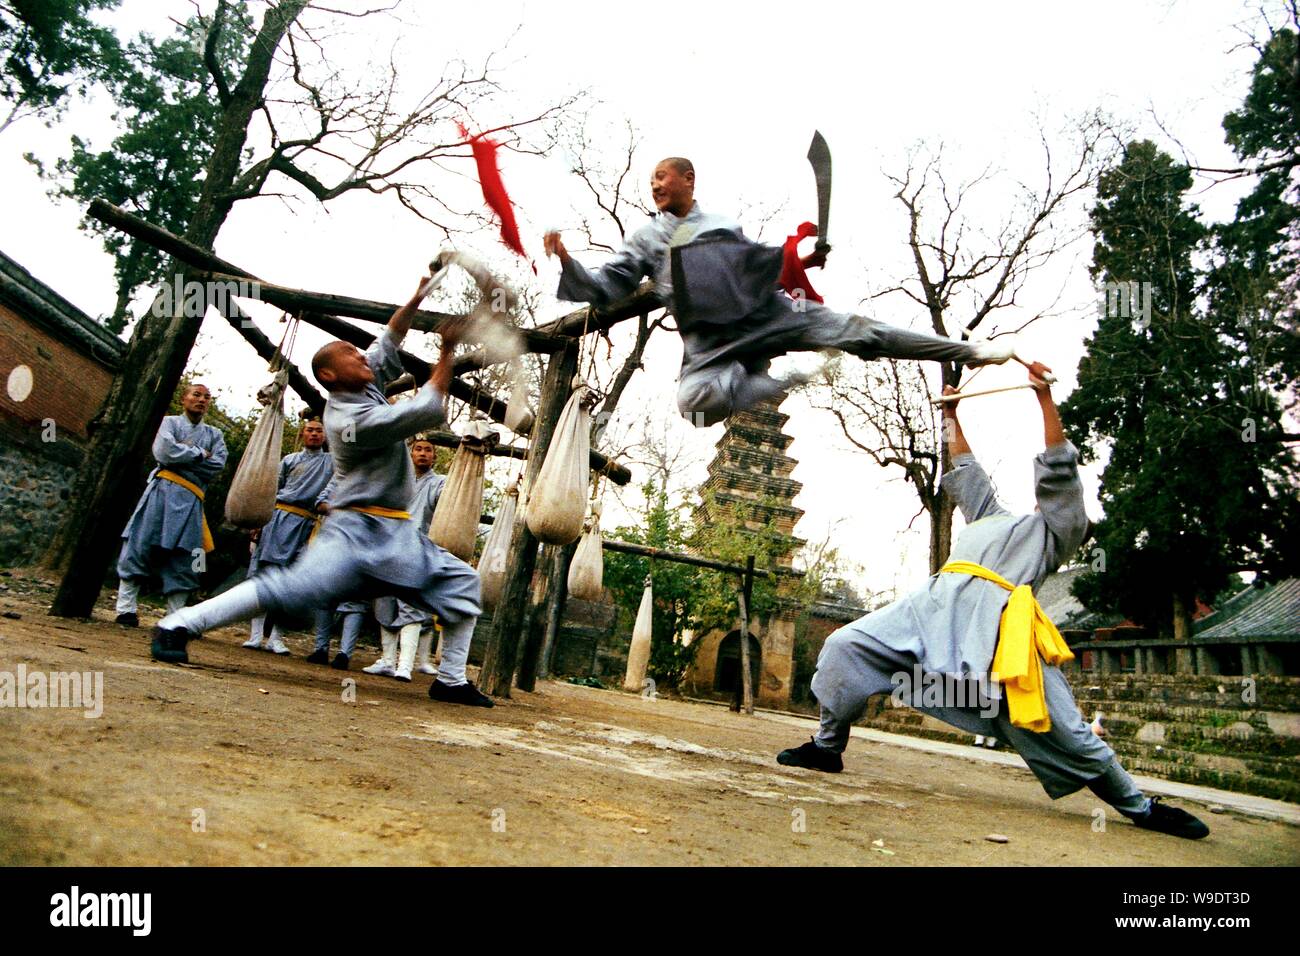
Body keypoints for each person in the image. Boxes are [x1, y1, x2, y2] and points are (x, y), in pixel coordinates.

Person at [776, 364, 1210, 840]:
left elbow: (1058, 469)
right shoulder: (988, 516)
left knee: (1065, 729)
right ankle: (827, 746)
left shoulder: (1053, 536)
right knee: (846, 645)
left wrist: (1043, 398)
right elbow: (965, 469)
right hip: (932, 608)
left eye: (1059, 494)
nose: (1052, 493)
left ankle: (1140, 806)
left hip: (1001, 631)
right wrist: (951, 413)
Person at [147, 273, 493, 709]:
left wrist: (419, 294)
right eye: (351, 353)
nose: (361, 355)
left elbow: (391, 336)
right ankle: (179, 624)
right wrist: (446, 349)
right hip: (353, 533)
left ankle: (451, 679)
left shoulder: (366, 385)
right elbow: (429, 405)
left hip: (399, 535)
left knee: (462, 583)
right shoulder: (348, 422)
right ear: (330, 375)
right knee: (289, 588)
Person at [543, 157, 1016, 427]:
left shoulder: (723, 225)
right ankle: (793, 374)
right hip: (711, 342)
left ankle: (967, 350)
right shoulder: (646, 239)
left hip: (767, 313)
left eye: (661, 178)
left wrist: (803, 261)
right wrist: (568, 261)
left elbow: (758, 268)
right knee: (694, 407)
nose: (655, 187)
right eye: (650, 184)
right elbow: (606, 287)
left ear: (688, 179)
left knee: (861, 332)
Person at [114, 383, 227, 627]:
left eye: (207, 397)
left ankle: (174, 618)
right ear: (184, 399)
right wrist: (198, 454)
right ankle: (125, 609)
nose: (202, 400)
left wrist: (183, 454)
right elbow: (164, 452)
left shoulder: (214, 435)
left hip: (192, 498)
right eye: (196, 395)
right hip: (161, 492)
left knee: (184, 555)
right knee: (139, 543)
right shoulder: (168, 423)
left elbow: (217, 464)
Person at [242, 416, 334, 655]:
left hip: (306, 523)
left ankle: (276, 637)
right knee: (262, 576)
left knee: (292, 581)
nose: (314, 434)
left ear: (325, 436)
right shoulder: (288, 460)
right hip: (277, 518)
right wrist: (260, 521)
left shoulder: (331, 463)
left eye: (318, 431)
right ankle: (254, 635)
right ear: (303, 434)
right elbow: (271, 490)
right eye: (310, 430)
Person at [365, 434, 446, 680]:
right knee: (385, 604)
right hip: (388, 547)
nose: (422, 453)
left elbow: (449, 504)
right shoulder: (396, 479)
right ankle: (388, 660)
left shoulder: (441, 483)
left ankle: (405, 665)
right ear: (410, 453)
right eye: (418, 449)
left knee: (411, 607)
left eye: (428, 450)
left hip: (418, 549)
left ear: (434, 456)